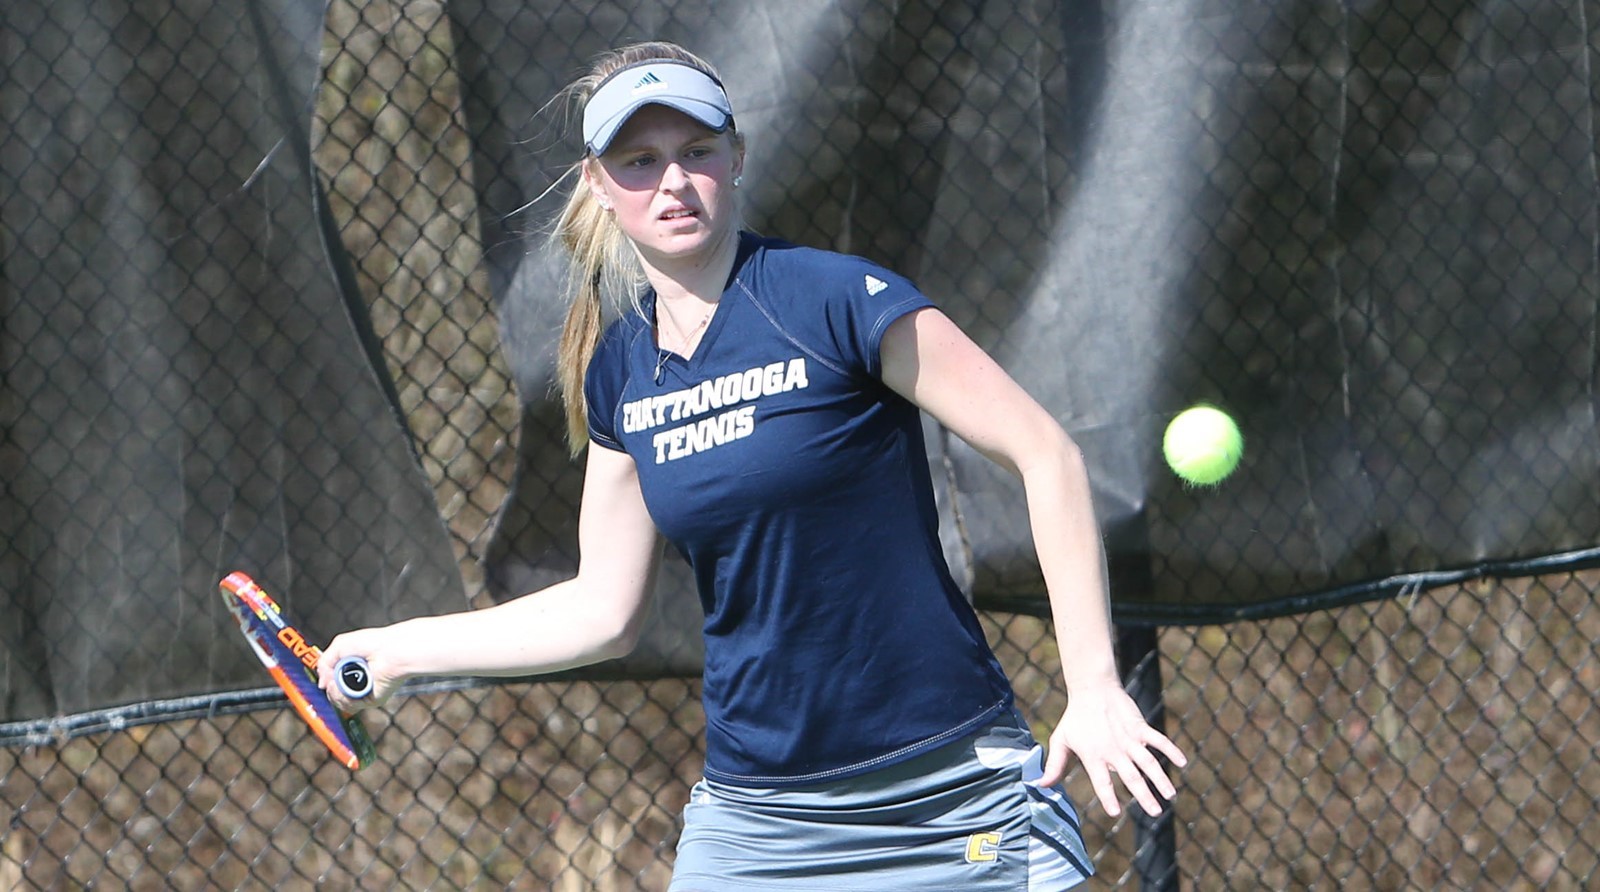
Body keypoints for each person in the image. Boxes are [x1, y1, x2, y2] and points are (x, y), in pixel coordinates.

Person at [318, 40, 1187, 890]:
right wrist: (397, 652)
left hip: (946, 795)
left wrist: (1094, 686)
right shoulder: (619, 369)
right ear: (597, 183)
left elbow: (1047, 453)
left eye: (696, 152)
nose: (672, 182)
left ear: (736, 157)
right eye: (639, 160)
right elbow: (600, 608)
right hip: (759, 820)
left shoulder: (836, 299)